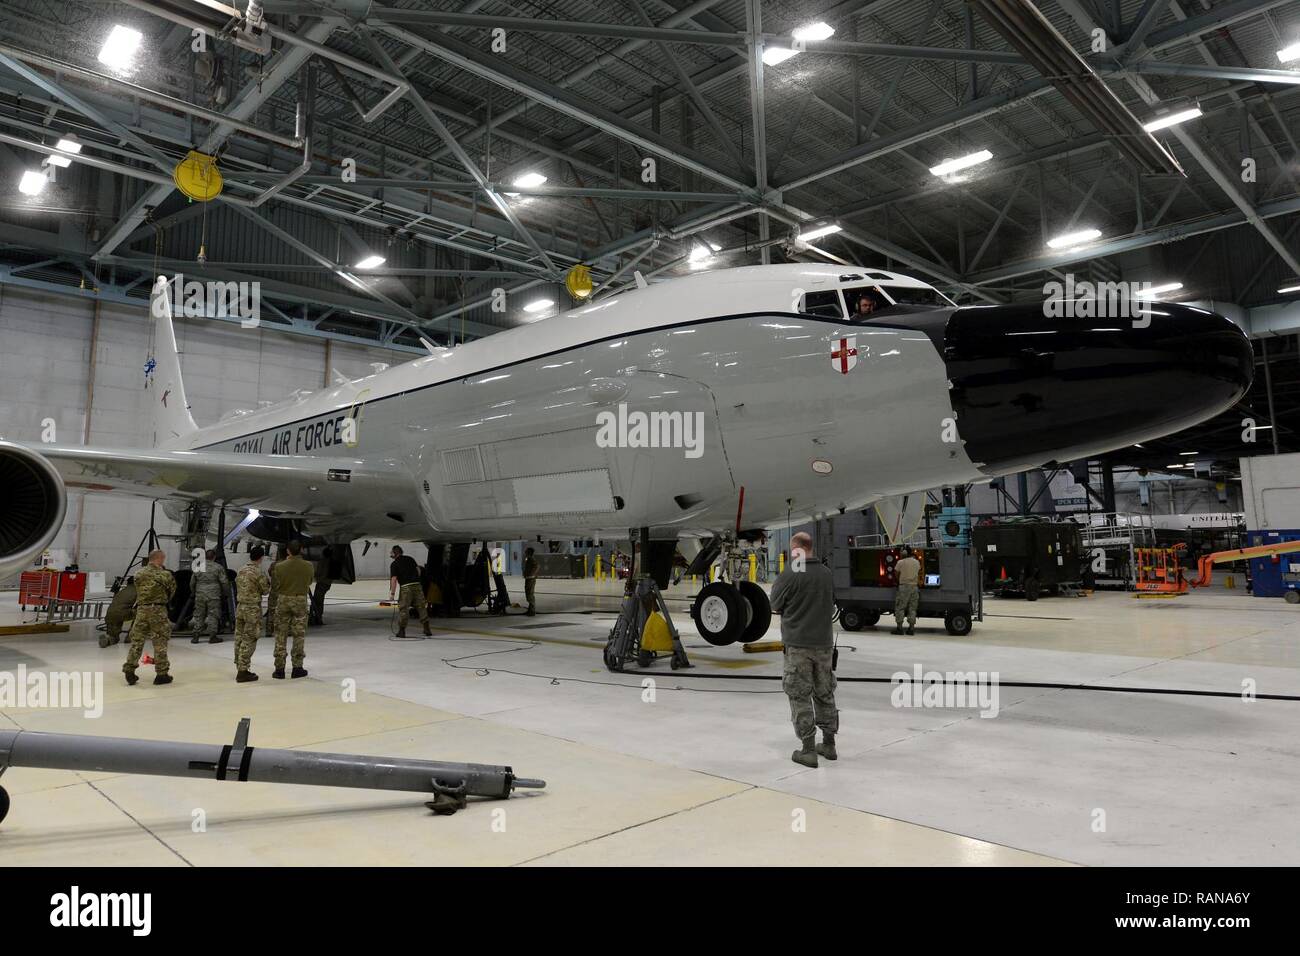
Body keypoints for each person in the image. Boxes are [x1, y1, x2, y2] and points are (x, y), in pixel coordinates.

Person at [769, 531, 838, 767]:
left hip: (798, 646)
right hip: (824, 645)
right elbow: (831, 606)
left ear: (796, 549)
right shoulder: (826, 574)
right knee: (825, 692)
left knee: (799, 695)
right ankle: (829, 744)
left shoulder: (790, 574)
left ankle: (808, 749)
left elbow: (775, 604)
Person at [124, 549, 176, 686]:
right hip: (158, 610)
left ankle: (129, 669)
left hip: (141, 610)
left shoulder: (138, 573)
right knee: (160, 643)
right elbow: (172, 591)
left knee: (137, 641)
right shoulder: (165, 575)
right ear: (160, 558)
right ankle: (161, 674)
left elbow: (138, 589)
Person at [271, 540, 314, 679]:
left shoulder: (279, 566)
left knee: (280, 635)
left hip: (284, 600)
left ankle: (279, 669)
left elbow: (276, 584)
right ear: (301, 549)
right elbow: (309, 581)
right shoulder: (308, 566)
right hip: (300, 600)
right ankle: (297, 667)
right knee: (299, 635)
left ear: (288, 551)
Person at [234, 546, 270, 682]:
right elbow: (265, 590)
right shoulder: (258, 572)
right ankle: (243, 671)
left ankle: (239, 664)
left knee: (239, 636)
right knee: (250, 638)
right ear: (261, 557)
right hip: (252, 609)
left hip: (240, 607)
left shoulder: (241, 570)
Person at [389, 545, 432, 638]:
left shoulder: (394, 564)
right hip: (417, 585)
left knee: (404, 609)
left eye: (391, 552)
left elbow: (394, 579)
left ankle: (402, 631)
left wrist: (392, 594)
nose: (390, 554)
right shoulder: (410, 558)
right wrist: (417, 579)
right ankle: (427, 628)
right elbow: (418, 570)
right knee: (421, 607)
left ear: (395, 553)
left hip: (406, 587)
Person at [190, 549, 225, 645]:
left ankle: (196, 636)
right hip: (214, 595)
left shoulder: (198, 566)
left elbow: (192, 582)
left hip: (200, 594)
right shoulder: (218, 567)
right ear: (214, 557)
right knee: (213, 614)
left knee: (199, 614)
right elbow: (224, 581)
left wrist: (194, 592)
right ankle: (212, 636)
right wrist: (225, 593)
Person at [101, 574, 136, 648]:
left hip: (110, 614)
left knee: (114, 637)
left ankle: (109, 640)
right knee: (142, 613)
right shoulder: (137, 590)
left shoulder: (122, 591)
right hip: (123, 613)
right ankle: (130, 636)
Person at [892, 546, 921, 635]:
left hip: (904, 587)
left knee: (900, 607)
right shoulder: (916, 562)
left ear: (904, 552)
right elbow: (919, 572)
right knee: (912, 608)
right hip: (914, 587)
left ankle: (899, 628)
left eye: (901, 551)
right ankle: (911, 629)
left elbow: (896, 574)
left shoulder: (900, 562)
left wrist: (899, 580)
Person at [265, 545, 286, 637]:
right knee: (285, 612)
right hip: (284, 592)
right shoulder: (288, 565)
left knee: (271, 612)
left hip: (274, 592)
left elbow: (270, 573)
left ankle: (269, 630)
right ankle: (284, 630)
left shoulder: (274, 565)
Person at [309, 545, 332, 626]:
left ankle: (316, 618)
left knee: (317, 601)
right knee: (319, 601)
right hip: (327, 583)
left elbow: (321, 573)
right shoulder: (330, 561)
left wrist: (314, 576)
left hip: (322, 583)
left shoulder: (323, 561)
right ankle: (317, 617)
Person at [523, 547, 539, 616]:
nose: (525, 552)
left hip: (530, 579)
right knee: (528, 593)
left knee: (530, 594)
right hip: (528, 579)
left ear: (529, 552)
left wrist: (531, 575)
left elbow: (537, 566)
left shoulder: (532, 559)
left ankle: (532, 611)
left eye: (526, 551)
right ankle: (530, 609)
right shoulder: (528, 559)